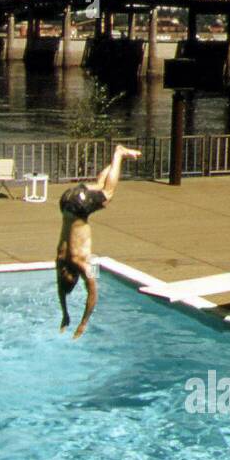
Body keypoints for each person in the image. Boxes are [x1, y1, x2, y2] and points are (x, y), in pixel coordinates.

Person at [56, 144, 140, 338]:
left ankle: (119, 154)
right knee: (101, 188)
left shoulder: (82, 265)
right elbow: (60, 288)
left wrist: (83, 323)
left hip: (78, 206)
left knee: (107, 195)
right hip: (67, 201)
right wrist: (65, 313)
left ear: (76, 277)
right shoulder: (59, 260)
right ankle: (118, 159)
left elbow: (93, 295)